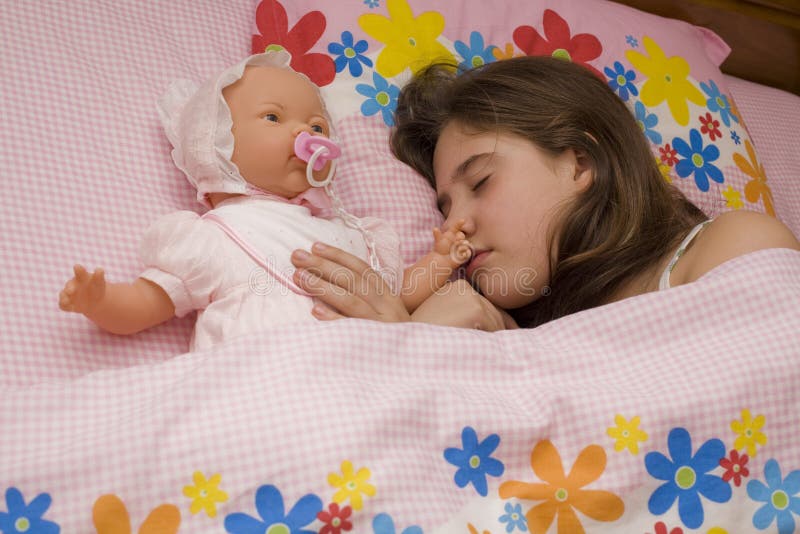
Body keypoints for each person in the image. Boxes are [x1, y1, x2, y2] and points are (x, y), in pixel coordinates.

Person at [289, 56, 800, 330]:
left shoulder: (733, 244)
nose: (454, 226)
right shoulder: (495, 333)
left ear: (581, 163)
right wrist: (415, 345)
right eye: (446, 205)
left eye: (482, 181)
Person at [58, 50, 471, 350]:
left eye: (316, 123)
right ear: (215, 146)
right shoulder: (217, 237)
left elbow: (395, 297)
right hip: (262, 386)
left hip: (358, 378)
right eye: (274, 117)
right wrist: (102, 301)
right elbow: (149, 304)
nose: (306, 133)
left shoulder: (352, 233)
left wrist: (439, 261)